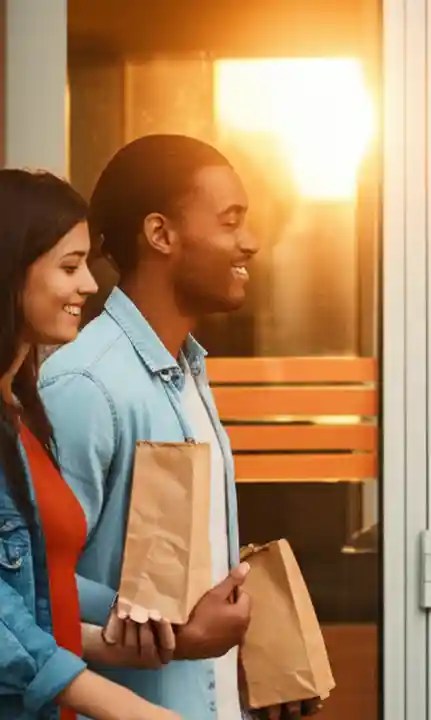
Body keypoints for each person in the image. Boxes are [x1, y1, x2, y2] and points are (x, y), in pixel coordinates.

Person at [38, 135, 315, 719]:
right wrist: (170, 626)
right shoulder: (86, 384)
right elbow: (39, 579)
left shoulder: (186, 367)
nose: (251, 242)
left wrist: (252, 650)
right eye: (230, 221)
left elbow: (182, 559)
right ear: (161, 235)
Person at [0, 168, 179, 719]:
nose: (90, 284)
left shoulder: (22, 415)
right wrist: (125, 706)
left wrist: (134, 628)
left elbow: (38, 592)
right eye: (69, 266)